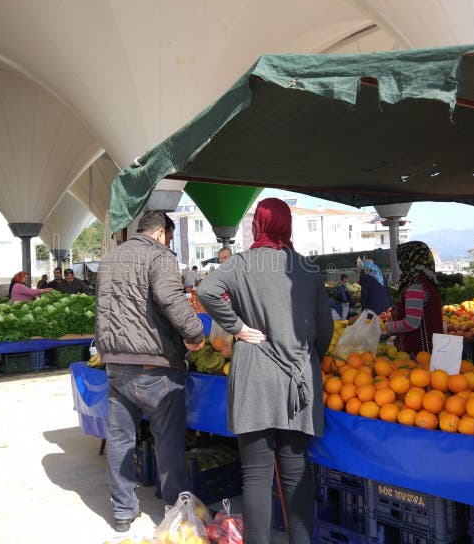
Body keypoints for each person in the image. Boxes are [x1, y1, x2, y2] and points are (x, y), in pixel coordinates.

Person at [198, 198, 333, 544]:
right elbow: (325, 329)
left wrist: (238, 328)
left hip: (252, 380)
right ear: (287, 225)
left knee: (255, 476)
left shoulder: (240, 264)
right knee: (296, 473)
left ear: (257, 225)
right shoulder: (307, 269)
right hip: (297, 381)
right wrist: (307, 359)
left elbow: (206, 290)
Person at [95, 210, 205, 532]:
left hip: (115, 361)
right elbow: (170, 298)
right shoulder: (159, 256)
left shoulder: (110, 258)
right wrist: (195, 334)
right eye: (169, 237)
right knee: (168, 440)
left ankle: (123, 512)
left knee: (119, 438)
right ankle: (174, 509)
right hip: (154, 364)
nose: (169, 242)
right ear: (161, 234)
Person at [386, 241, 444, 356]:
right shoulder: (427, 281)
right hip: (431, 350)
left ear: (409, 259)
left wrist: (390, 327)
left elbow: (412, 322)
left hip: (420, 354)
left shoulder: (416, 286)